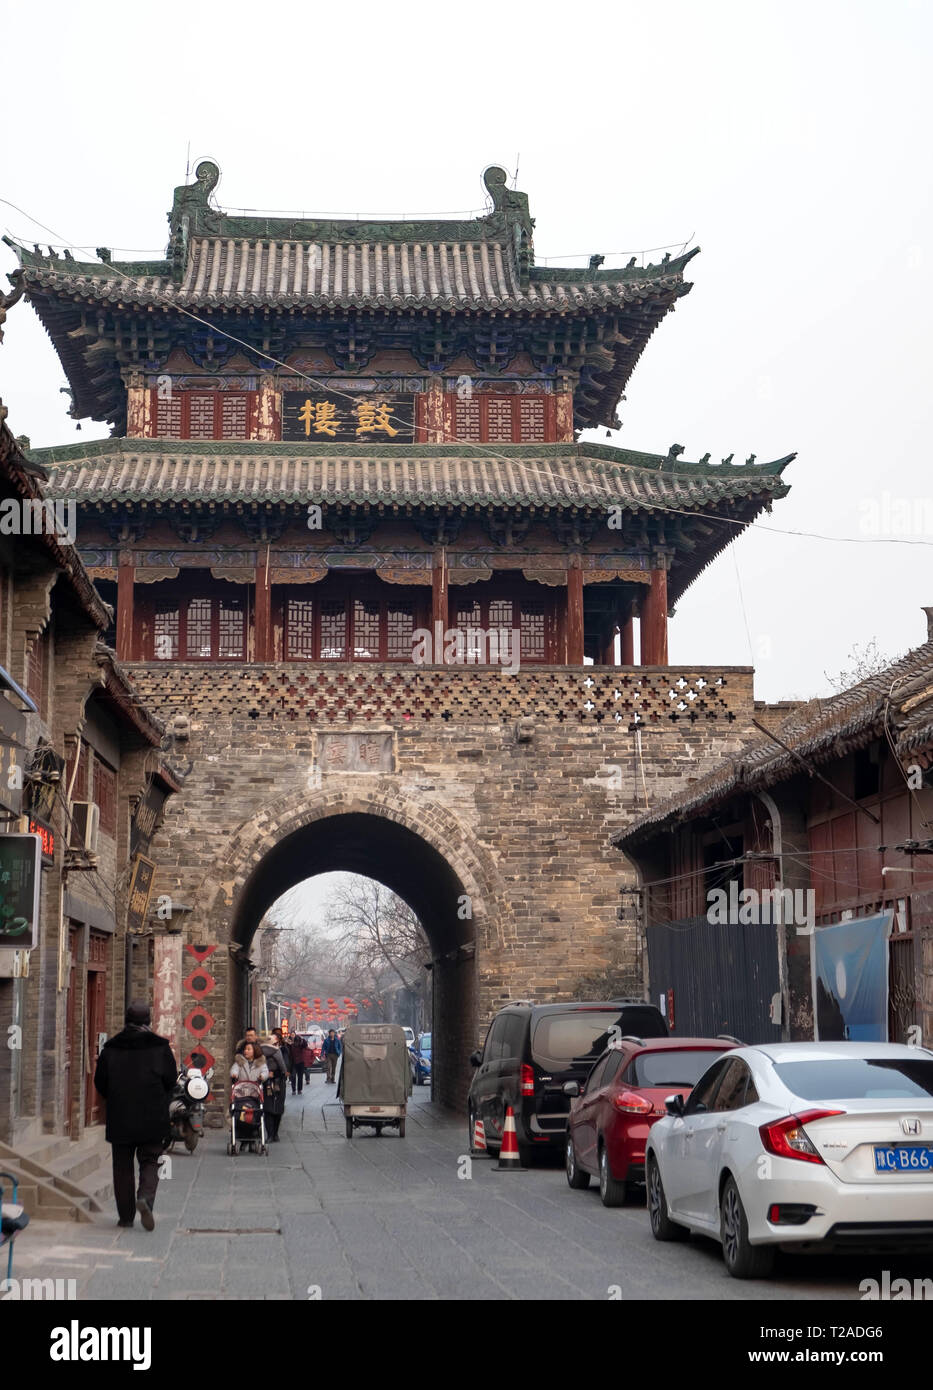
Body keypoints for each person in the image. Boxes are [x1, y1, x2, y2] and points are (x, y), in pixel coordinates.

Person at [93, 1000, 177, 1232]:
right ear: (148, 1021)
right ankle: (146, 1198)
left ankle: (126, 1217)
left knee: (122, 1167)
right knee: (150, 1160)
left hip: (120, 1116)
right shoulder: (160, 1047)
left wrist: (115, 1097)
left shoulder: (111, 1048)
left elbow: (100, 1082)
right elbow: (171, 1079)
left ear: (126, 1021)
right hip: (152, 1116)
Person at [261, 1032, 289, 1140]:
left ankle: (270, 1134)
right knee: (278, 1108)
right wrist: (283, 1073)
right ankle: (275, 1134)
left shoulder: (260, 1051)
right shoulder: (277, 1051)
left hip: (265, 1082)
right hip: (278, 1082)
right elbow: (283, 1066)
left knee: (267, 1108)